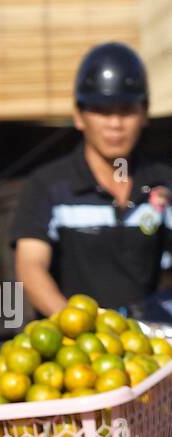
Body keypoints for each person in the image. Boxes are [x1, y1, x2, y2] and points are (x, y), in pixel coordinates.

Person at [10, 42, 172, 316]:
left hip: (147, 345)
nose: (115, 124)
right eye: (102, 110)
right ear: (79, 116)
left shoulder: (163, 183)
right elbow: (30, 266)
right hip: (75, 347)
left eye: (126, 110)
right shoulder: (48, 186)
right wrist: (75, 324)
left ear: (144, 114)